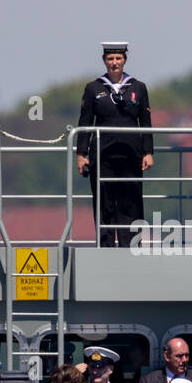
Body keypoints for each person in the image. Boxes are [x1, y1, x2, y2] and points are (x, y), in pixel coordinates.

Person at [75, 42, 154, 247]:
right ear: (104, 61)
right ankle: (106, 243)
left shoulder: (138, 87)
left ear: (125, 60)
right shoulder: (93, 88)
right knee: (104, 200)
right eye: (110, 59)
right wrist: (81, 153)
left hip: (130, 153)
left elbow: (145, 122)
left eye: (118, 58)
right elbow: (85, 122)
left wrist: (148, 151)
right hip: (103, 154)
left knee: (131, 200)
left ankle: (132, 243)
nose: (114, 63)